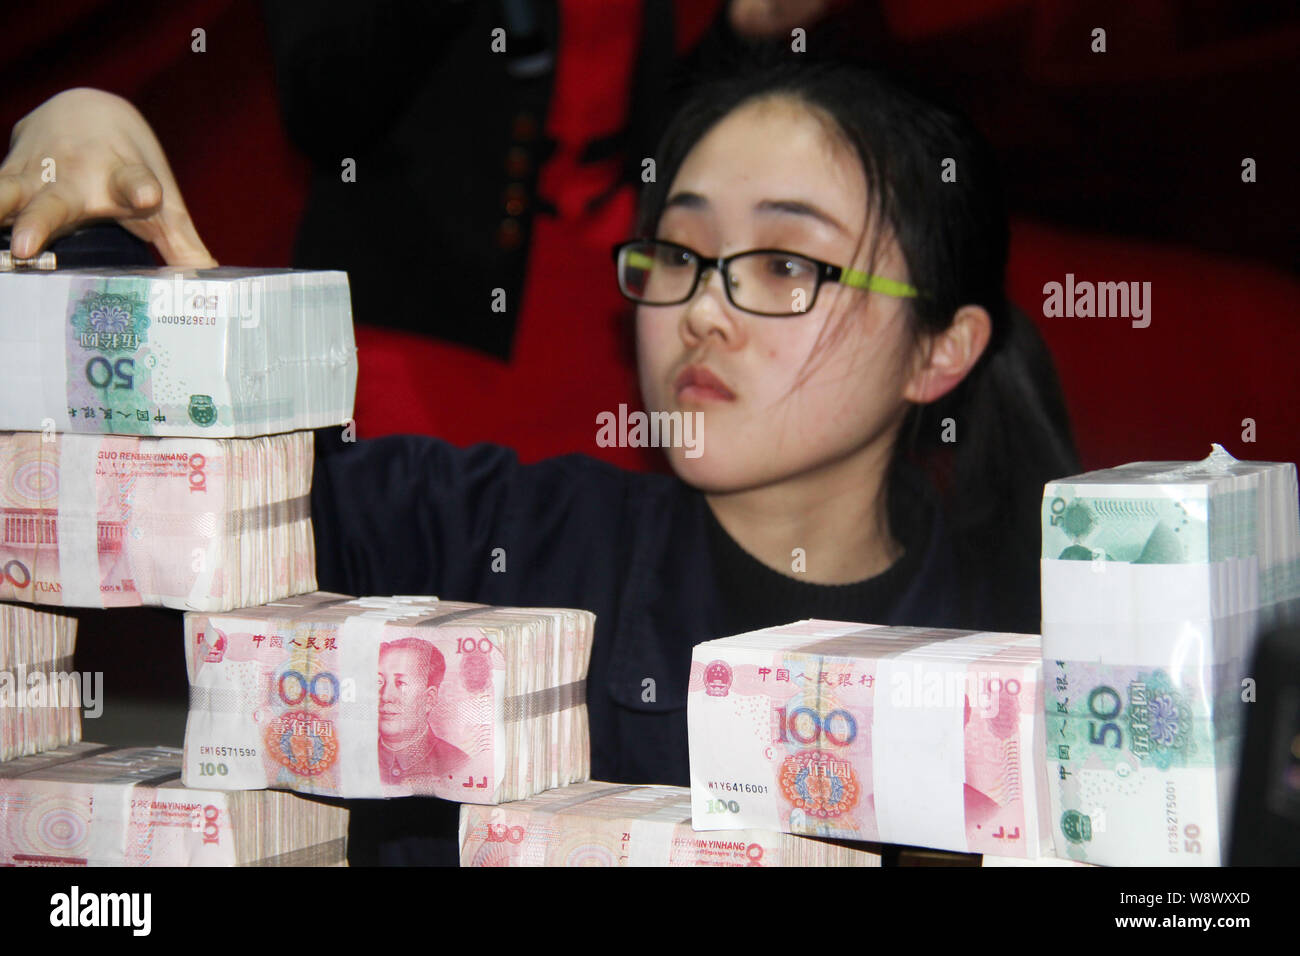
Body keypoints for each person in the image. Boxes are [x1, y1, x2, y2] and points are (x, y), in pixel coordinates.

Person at [0, 57, 1078, 865]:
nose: (702, 310)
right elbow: (155, 465)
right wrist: (83, 153)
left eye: (785, 261)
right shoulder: (490, 535)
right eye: (679, 252)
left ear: (942, 351)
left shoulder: (1034, 658)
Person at [377, 638, 470, 786]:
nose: (385, 696)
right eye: (379, 682)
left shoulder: (459, 764)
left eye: (401, 683)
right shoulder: (352, 759)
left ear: (429, 699)